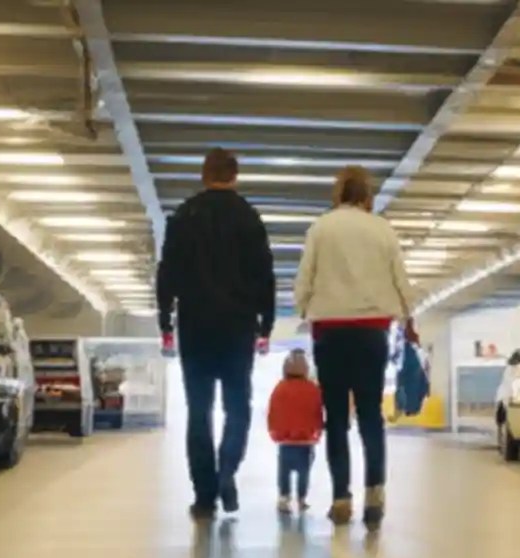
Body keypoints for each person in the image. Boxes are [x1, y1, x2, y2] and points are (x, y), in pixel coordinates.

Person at [294, 165, 416, 528]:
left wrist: (304, 308)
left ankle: (341, 497)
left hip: (330, 333)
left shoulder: (321, 228)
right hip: (371, 333)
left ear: (338, 193)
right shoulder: (382, 230)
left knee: (335, 420)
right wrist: (410, 316)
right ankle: (375, 495)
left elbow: (305, 278)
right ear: (367, 196)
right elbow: (400, 277)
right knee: (369, 416)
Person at [157, 148, 276, 520]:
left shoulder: (184, 216)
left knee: (199, 410)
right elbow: (265, 275)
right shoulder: (249, 217)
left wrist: (165, 320)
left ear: (204, 174)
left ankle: (205, 495)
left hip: (195, 324)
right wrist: (266, 324)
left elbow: (167, 271)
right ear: (235, 176)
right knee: (238, 407)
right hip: (238, 326)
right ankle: (227, 470)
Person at [267, 349, 323, 514]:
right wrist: (317, 430)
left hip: (285, 440)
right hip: (306, 440)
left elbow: (273, 412)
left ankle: (284, 496)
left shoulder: (280, 388)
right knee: (304, 471)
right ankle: (302, 497)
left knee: (283, 470)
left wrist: (273, 430)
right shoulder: (313, 389)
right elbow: (317, 412)